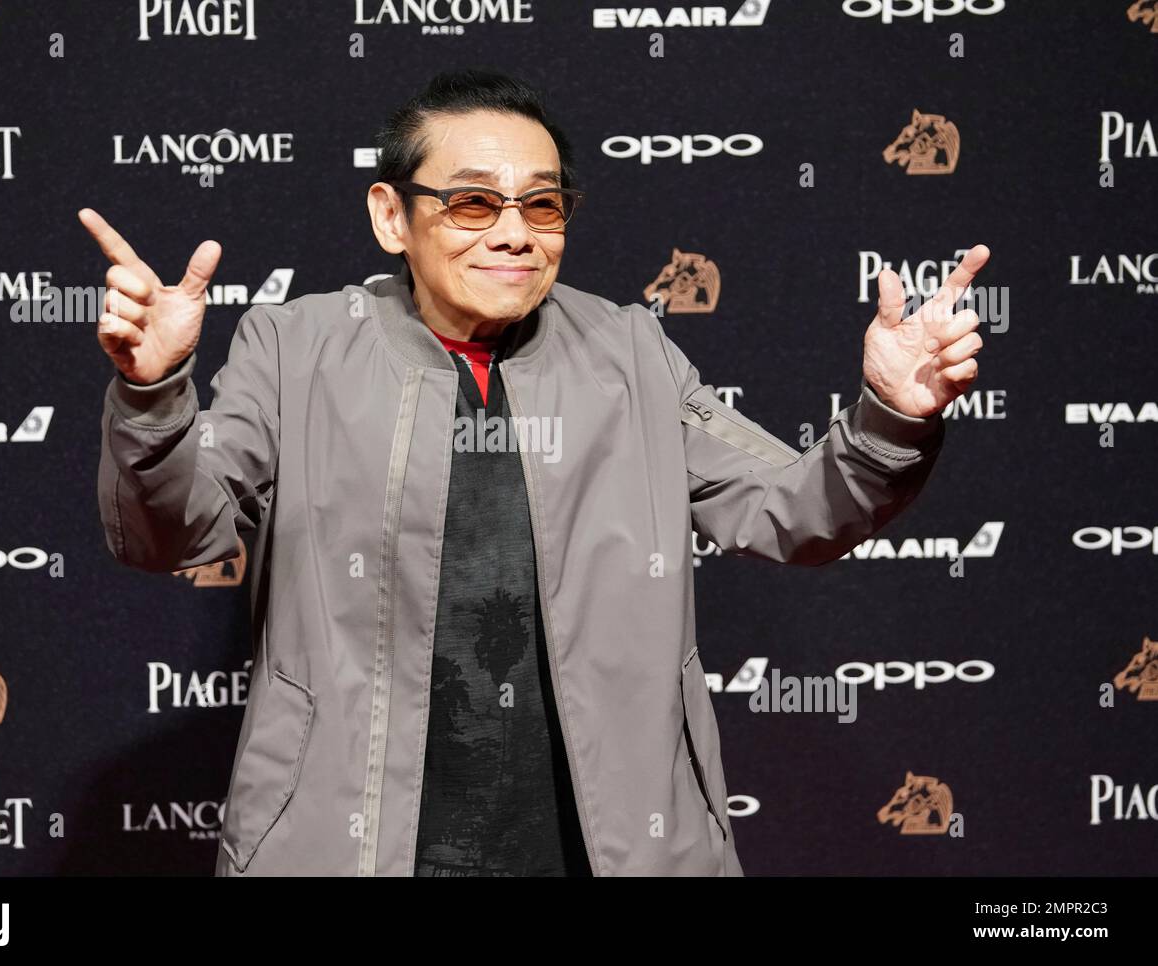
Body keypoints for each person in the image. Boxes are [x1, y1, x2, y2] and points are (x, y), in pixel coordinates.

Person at [81, 68, 989, 877]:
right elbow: (168, 533)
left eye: (543, 205)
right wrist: (154, 390)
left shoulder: (631, 351)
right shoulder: (296, 348)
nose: (514, 234)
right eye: (473, 204)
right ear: (391, 216)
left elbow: (791, 510)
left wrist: (893, 415)